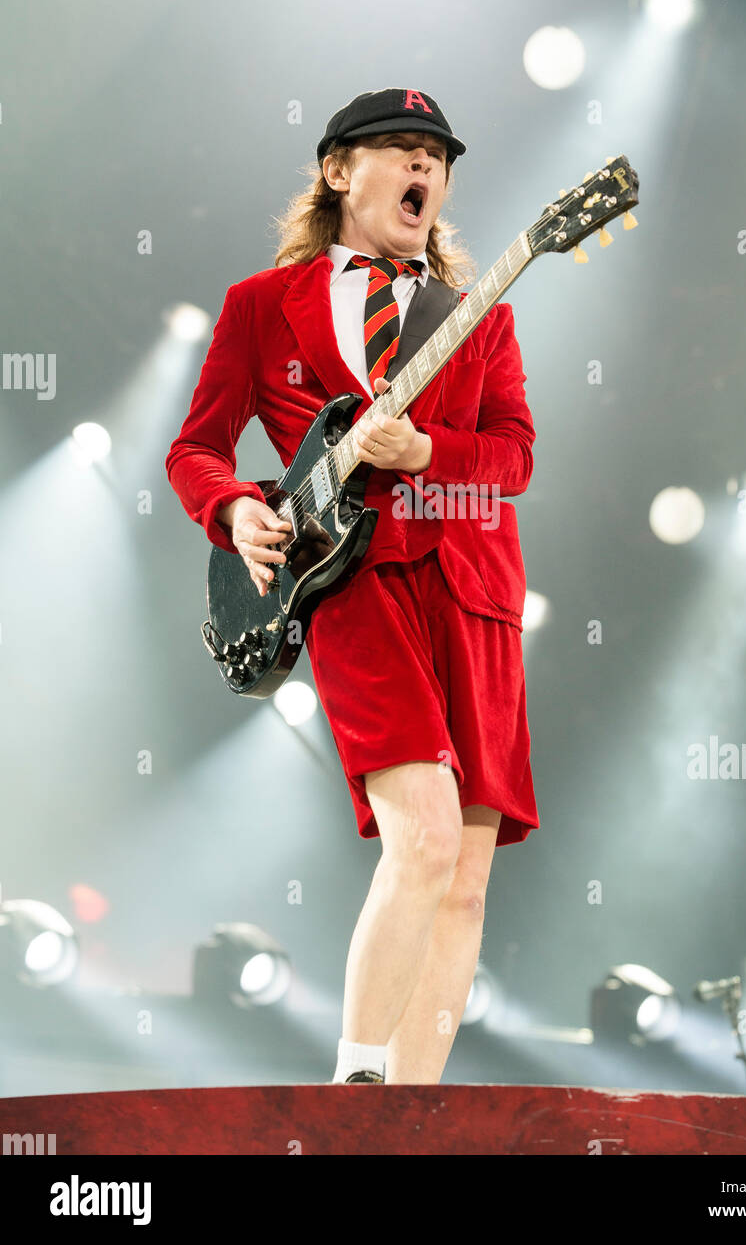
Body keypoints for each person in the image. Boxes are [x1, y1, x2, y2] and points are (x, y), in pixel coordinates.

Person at [165, 88, 539, 1085]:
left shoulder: (475, 319)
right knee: (417, 836)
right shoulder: (260, 305)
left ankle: (412, 1119)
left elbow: (512, 458)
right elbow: (196, 446)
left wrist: (426, 447)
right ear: (338, 170)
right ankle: (356, 1090)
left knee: (462, 881)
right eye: (401, 149)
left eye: (437, 157)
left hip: (471, 585)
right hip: (357, 582)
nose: (425, 169)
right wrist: (235, 507)